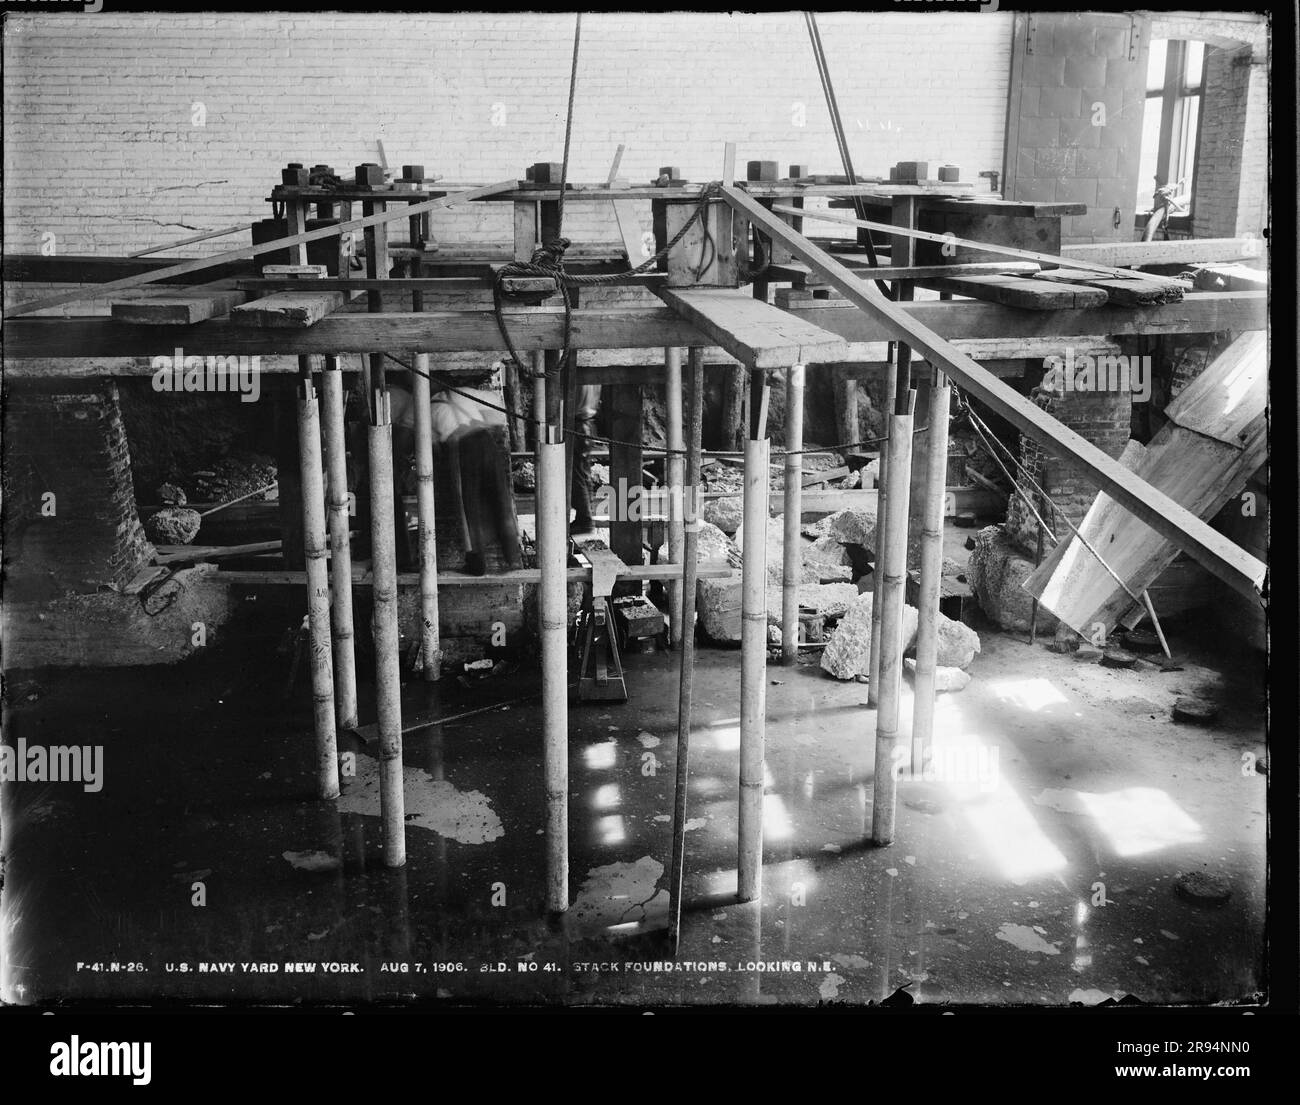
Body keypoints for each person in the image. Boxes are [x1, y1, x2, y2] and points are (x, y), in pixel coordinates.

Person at [570, 384, 602, 535]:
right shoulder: (592, 377)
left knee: (577, 474)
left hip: (580, 423)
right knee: (583, 472)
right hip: (587, 423)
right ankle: (584, 516)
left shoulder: (579, 374)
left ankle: (585, 519)